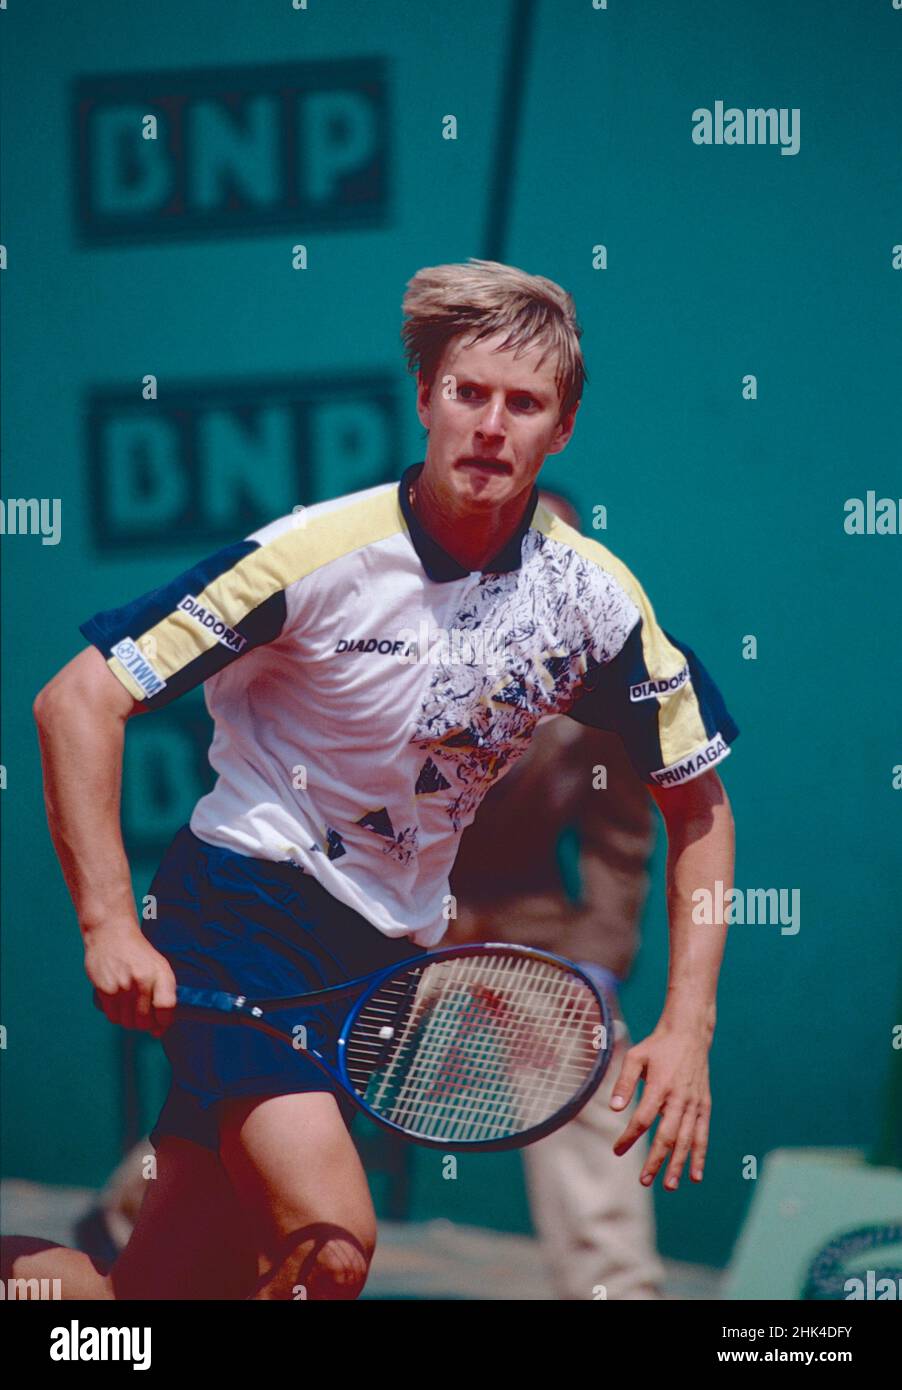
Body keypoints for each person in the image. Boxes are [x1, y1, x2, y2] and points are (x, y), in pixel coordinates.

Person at [4, 258, 738, 1300]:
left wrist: (685, 1027)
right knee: (330, 1246)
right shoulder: (316, 553)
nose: (490, 424)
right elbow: (75, 700)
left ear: (559, 429)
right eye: (467, 393)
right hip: (245, 907)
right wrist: (109, 924)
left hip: (378, 956)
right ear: (424, 400)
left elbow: (694, 800)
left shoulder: (590, 598)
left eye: (523, 404)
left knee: (146, 1301)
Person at [446, 489, 666, 1300]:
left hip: (525, 917)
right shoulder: (390, 641)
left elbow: (618, 842)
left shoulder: (608, 681)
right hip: (379, 906)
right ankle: (130, 1232)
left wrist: (596, 963)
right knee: (278, 1075)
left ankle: (615, 1290)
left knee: (588, 1064)